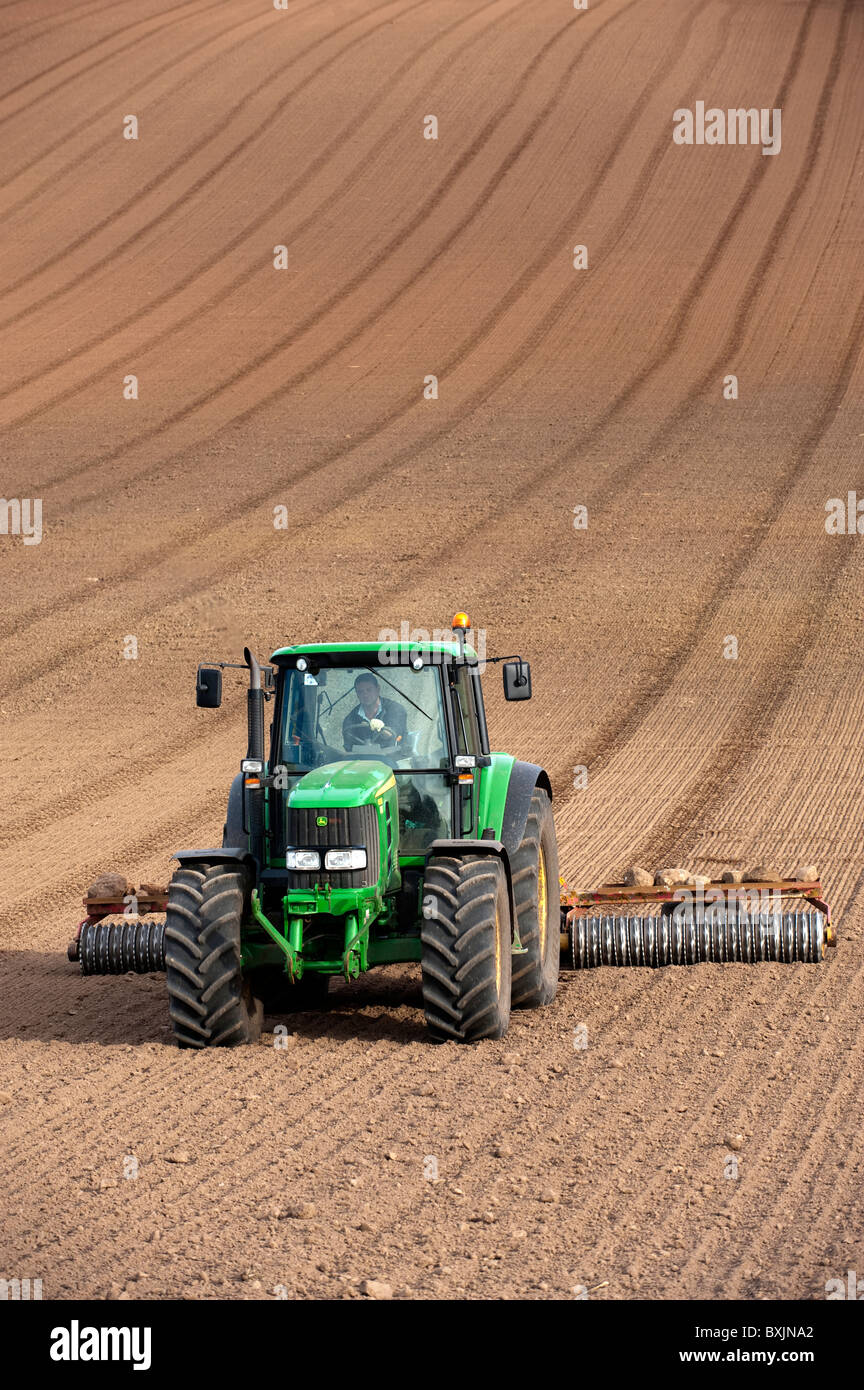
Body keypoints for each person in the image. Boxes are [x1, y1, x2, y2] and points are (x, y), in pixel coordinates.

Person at [342, 673, 408, 752]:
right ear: (357, 694)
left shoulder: (395, 709)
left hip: (395, 757)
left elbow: (391, 734)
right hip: (364, 760)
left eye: (369, 690)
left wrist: (380, 728)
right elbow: (349, 748)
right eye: (360, 692)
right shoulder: (350, 719)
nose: (365, 695)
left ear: (378, 689)